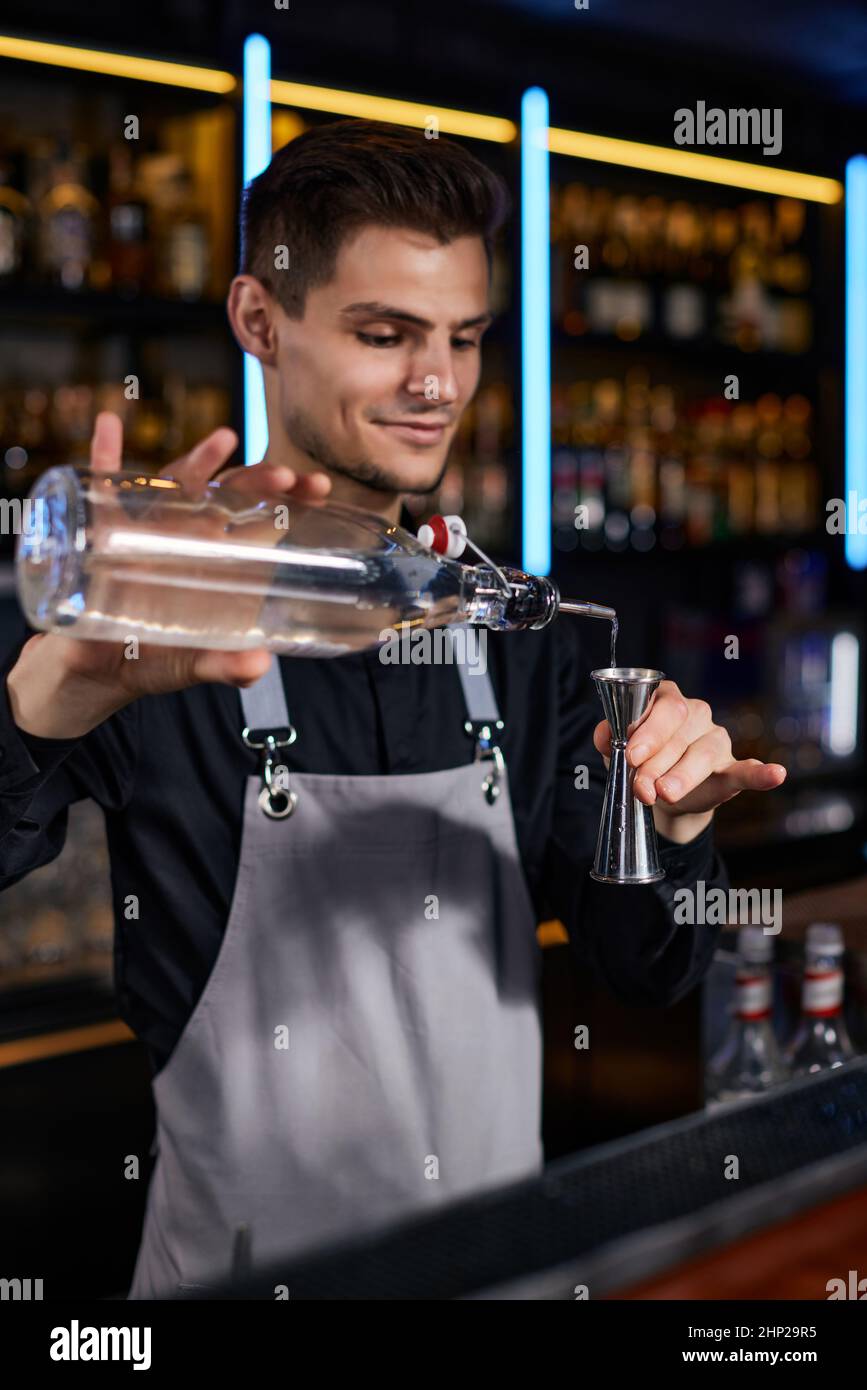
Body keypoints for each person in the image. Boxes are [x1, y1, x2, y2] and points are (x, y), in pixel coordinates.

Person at [0, 120, 787, 1298]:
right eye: (386, 334)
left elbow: (651, 971)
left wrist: (671, 832)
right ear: (261, 321)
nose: (439, 384)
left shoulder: (516, 627)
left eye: (464, 338)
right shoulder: (151, 610)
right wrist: (37, 709)